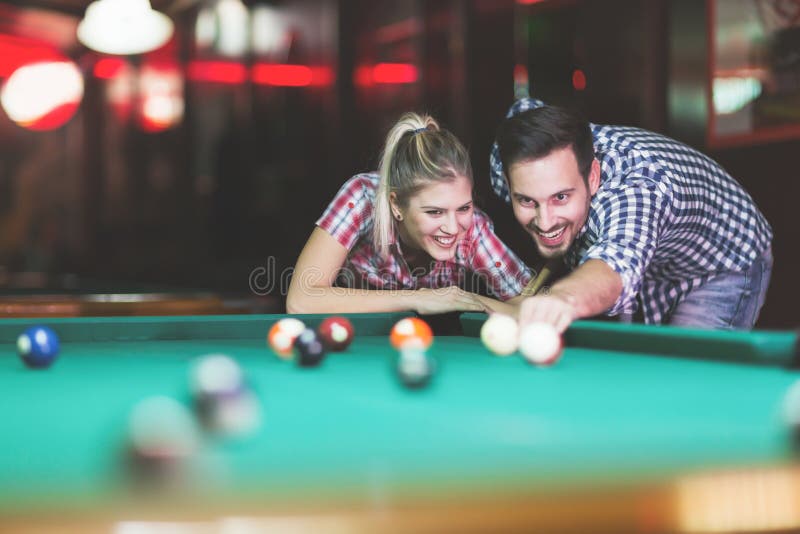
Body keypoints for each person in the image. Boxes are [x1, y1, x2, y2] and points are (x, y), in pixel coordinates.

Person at [491, 98, 773, 332]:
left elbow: (615, 265)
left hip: (721, 260)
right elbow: (525, 107)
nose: (545, 222)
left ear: (593, 177)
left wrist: (561, 298)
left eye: (561, 197)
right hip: (653, 259)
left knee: (683, 373)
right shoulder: (510, 155)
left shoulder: (637, 189)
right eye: (527, 201)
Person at [287, 112, 532, 315]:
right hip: (356, 340)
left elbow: (527, 306)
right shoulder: (363, 197)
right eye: (434, 212)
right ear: (395, 205)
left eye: (464, 208)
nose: (453, 227)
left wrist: (462, 298)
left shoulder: (472, 226)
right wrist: (417, 299)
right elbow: (301, 300)